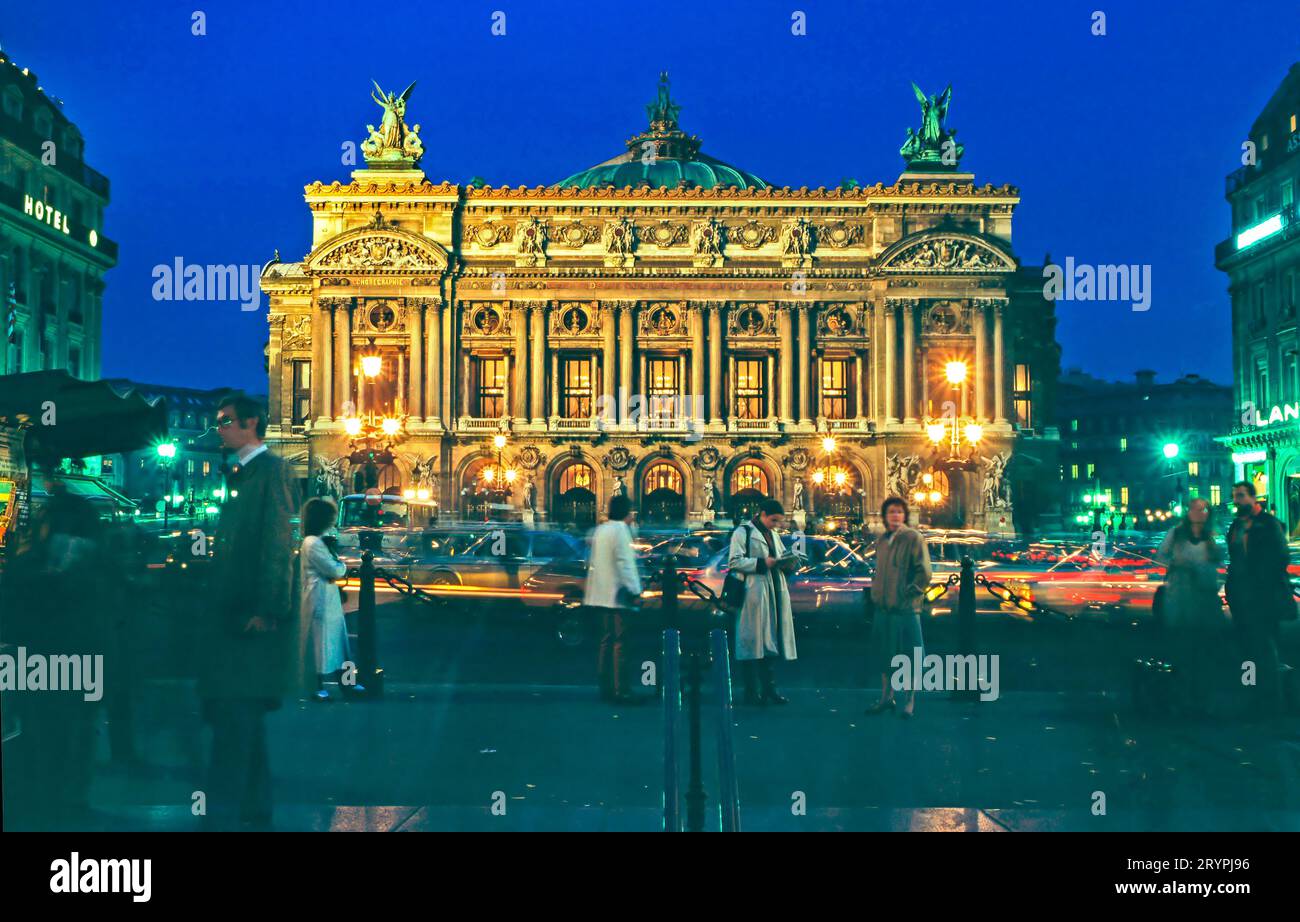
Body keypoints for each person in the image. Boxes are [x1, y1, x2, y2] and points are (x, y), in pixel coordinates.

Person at [199, 394, 299, 830]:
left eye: (225, 422)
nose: (218, 429)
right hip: (235, 614)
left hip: (248, 620)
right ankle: (254, 813)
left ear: (251, 423)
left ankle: (224, 816)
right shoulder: (243, 472)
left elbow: (278, 544)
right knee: (242, 721)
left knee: (235, 719)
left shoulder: (271, 471)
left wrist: (268, 609)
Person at [0, 486, 108, 828]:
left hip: (33, 666)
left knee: (34, 736)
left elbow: (9, 616)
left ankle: (38, 801)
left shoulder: (30, 565)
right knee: (74, 736)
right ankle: (69, 800)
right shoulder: (96, 568)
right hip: (81, 667)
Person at [1224, 480, 1291, 717]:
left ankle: (1271, 700)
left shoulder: (1269, 524)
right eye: (1235, 496)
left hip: (1263, 599)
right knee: (1246, 651)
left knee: (1265, 650)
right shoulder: (1235, 526)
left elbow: (1282, 557)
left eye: (1241, 495)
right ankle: (1250, 694)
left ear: (1253, 498)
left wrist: (1260, 579)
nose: (1237, 500)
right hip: (1242, 599)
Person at [1154, 497, 1225, 716]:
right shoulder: (1176, 533)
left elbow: (1220, 562)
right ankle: (1182, 697)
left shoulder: (1213, 535)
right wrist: (1177, 565)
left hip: (1204, 597)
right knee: (1182, 649)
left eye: (1203, 509)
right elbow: (1160, 557)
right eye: (1195, 508)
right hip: (1181, 596)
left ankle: (1202, 699)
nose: (1199, 512)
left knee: (1204, 651)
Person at [865, 497, 932, 718]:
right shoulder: (882, 540)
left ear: (905, 516)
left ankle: (909, 701)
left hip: (904, 608)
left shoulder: (913, 538)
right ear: (885, 516)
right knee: (886, 655)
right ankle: (887, 697)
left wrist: (909, 592)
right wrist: (876, 593)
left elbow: (925, 572)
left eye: (899, 512)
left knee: (908, 657)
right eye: (891, 512)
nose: (895, 516)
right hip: (884, 607)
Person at [729, 499, 798, 706]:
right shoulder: (743, 532)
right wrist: (761, 563)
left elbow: (780, 557)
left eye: (779, 521)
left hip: (774, 591)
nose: (776, 525)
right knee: (752, 642)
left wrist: (789, 562)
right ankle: (752, 692)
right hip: (754, 592)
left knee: (770, 642)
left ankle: (769, 689)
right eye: (773, 520)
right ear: (762, 513)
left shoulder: (774, 534)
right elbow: (733, 561)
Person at [299, 497, 363, 701]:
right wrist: (340, 564)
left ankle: (345, 683)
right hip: (319, 599)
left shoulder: (316, 541)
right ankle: (323, 685)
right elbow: (334, 569)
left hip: (325, 599)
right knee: (322, 646)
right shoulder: (313, 543)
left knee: (334, 644)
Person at [585, 494, 645, 704]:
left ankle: (605, 687)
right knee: (621, 643)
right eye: (630, 511)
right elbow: (625, 564)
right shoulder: (620, 530)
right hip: (617, 595)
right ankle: (622, 690)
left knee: (606, 641)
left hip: (600, 594)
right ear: (625, 512)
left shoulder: (601, 529)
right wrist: (636, 591)